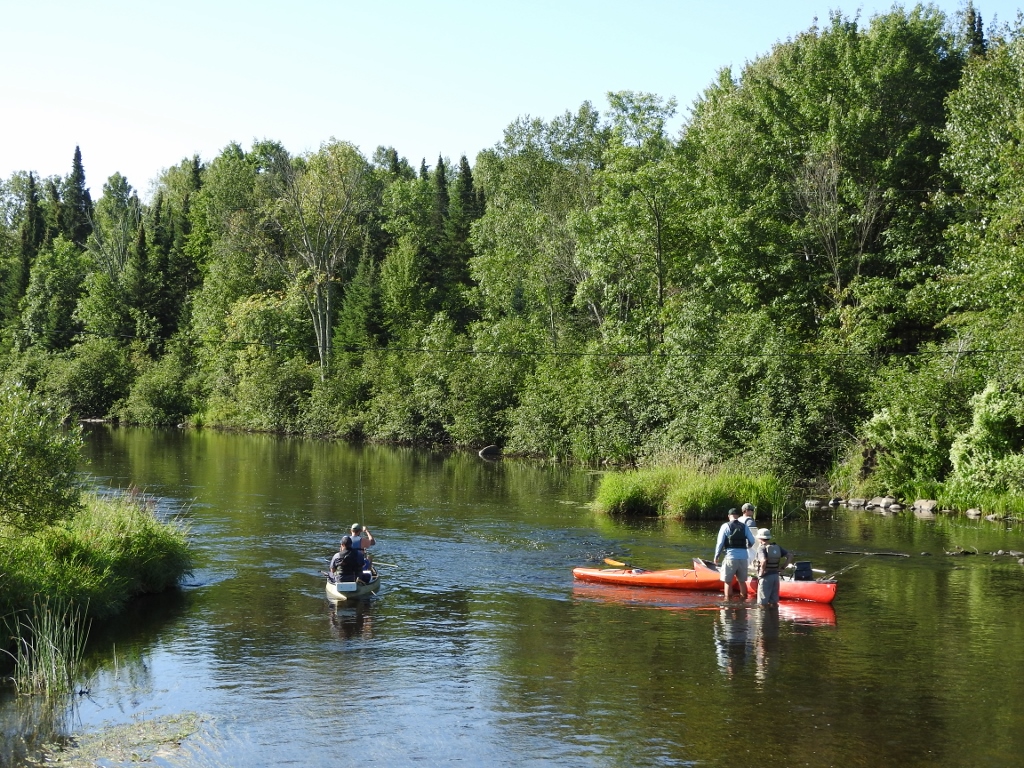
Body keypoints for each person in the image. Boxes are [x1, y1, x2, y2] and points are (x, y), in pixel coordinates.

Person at [713, 508, 756, 599]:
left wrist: (716, 556)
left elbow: (720, 543)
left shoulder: (725, 526)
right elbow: (752, 540)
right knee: (742, 581)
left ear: (729, 516)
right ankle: (743, 601)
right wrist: (748, 546)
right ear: (738, 516)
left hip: (730, 558)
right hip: (744, 558)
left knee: (728, 582)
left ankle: (728, 602)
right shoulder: (745, 526)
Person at [752, 528, 790, 607]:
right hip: (775, 576)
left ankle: (762, 618)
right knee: (774, 602)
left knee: (762, 603)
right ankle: (774, 617)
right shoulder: (777, 547)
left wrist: (761, 573)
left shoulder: (761, 548)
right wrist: (782, 568)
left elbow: (763, 561)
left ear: (760, 538)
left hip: (765, 577)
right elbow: (790, 556)